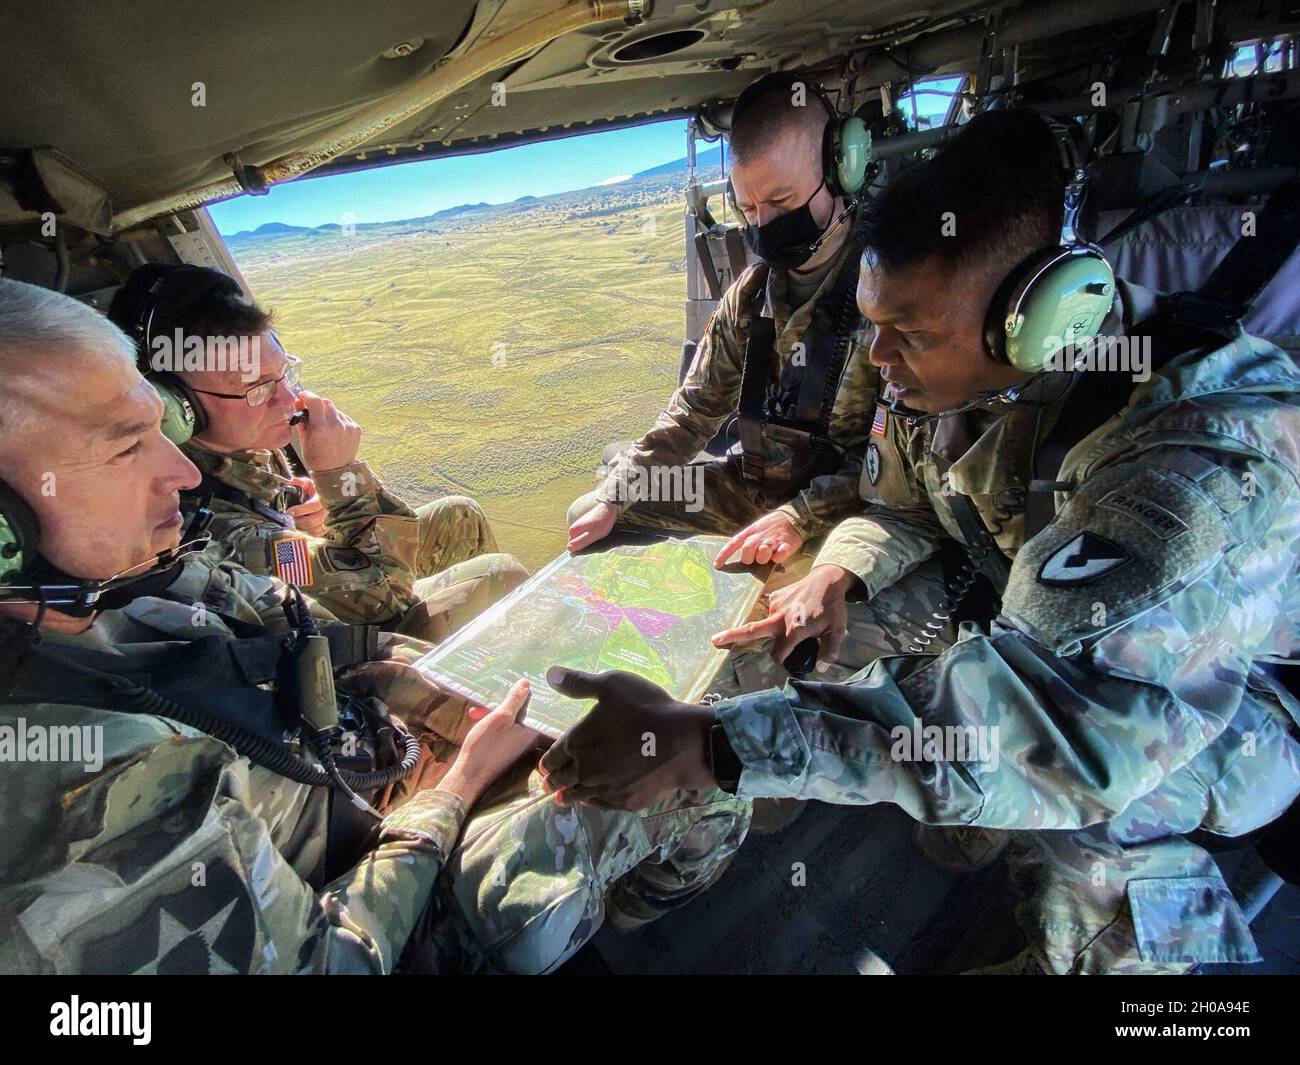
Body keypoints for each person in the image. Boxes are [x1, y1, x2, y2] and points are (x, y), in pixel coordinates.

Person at [536, 110, 1300, 974]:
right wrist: (838, 572)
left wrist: (710, 745)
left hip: (1237, 705)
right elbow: (899, 506)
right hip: (1037, 635)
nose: (882, 361)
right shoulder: (936, 381)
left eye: (912, 335)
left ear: (1041, 317)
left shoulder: (1194, 457)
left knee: (1083, 807)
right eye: (874, 328)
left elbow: (1048, 725)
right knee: (859, 687)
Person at [0, 278, 750, 974]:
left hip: (351, 752)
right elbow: (382, 594)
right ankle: (620, 917)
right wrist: (462, 780)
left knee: (492, 582)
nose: (181, 470)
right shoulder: (80, 775)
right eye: (128, 443)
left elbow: (319, 620)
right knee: (711, 777)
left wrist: (460, 681)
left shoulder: (139, 573)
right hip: (378, 852)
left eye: (283, 370)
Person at [107, 263, 525, 645]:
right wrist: (341, 477)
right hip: (335, 642)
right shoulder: (207, 521)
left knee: (458, 516)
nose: (288, 400)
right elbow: (385, 598)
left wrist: (314, 516)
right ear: (175, 407)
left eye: (283, 374)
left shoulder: (238, 447)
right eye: (257, 388)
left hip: (325, 586)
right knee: (496, 576)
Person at [566, 72, 880, 570]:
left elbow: (898, 476)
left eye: (781, 202)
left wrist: (799, 518)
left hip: (846, 514)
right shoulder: (751, 294)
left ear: (842, 171)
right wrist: (614, 496)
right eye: (749, 208)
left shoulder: (888, 289)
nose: (765, 224)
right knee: (598, 510)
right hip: (750, 489)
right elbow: (692, 416)